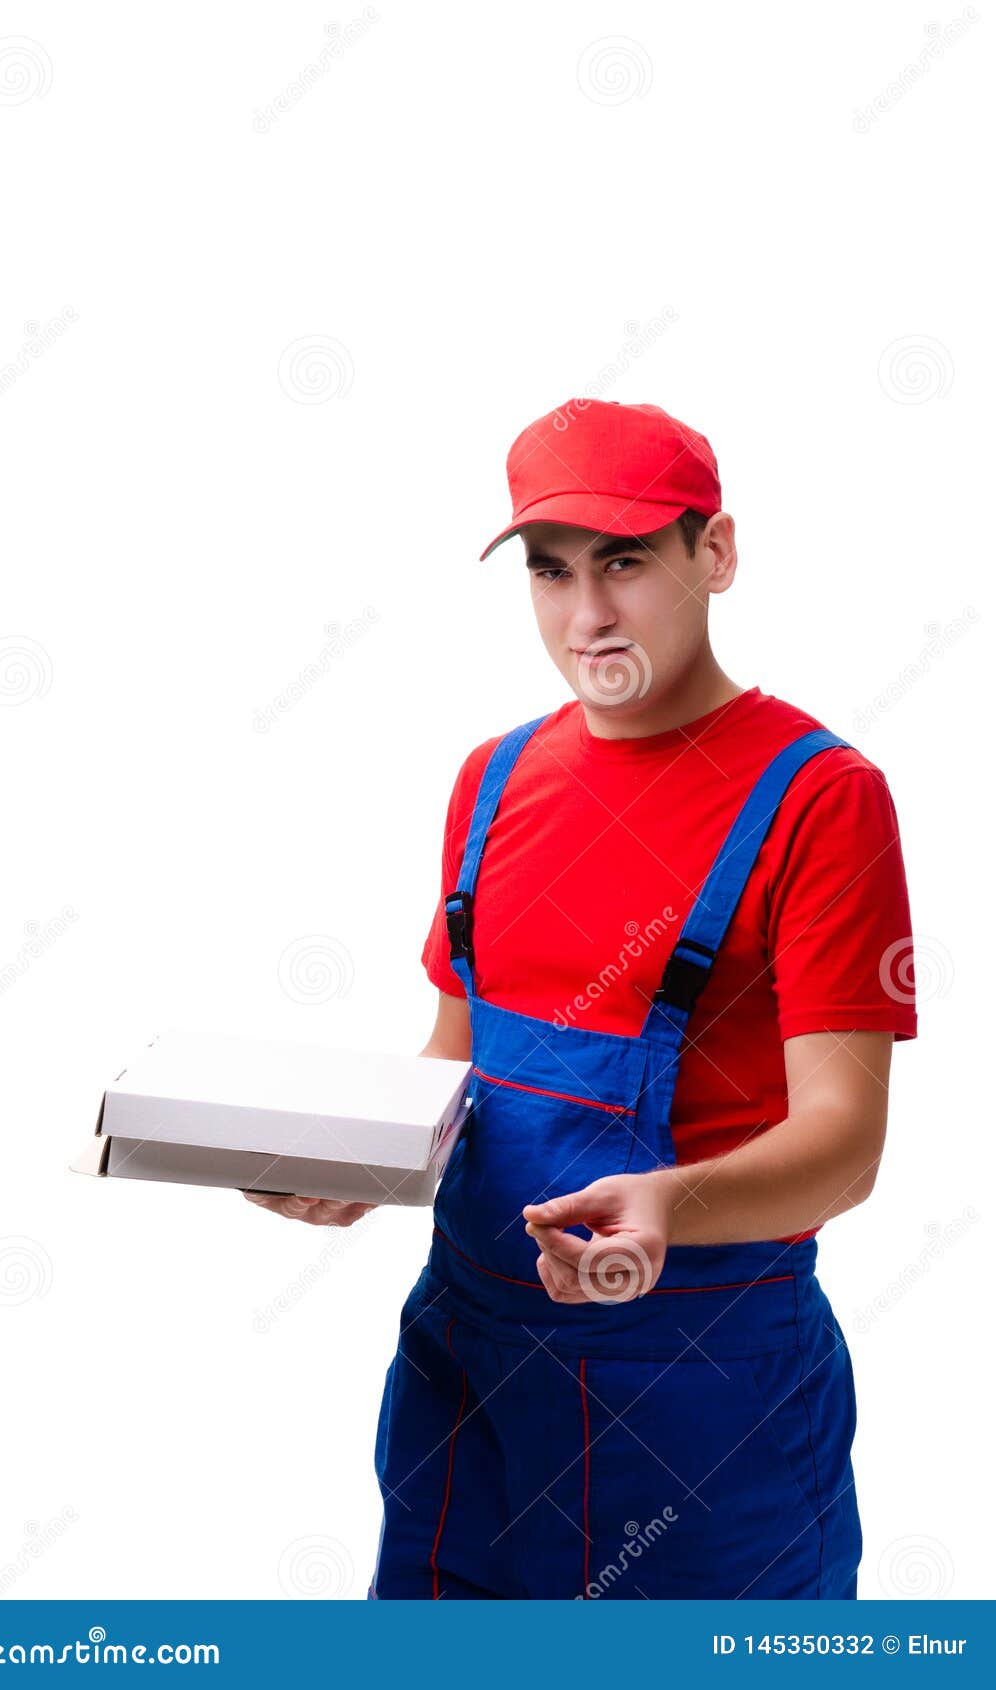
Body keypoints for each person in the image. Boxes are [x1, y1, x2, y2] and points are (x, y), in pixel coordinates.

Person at [245, 398, 917, 1600]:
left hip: (706, 1396)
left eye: (625, 563)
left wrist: (668, 1203)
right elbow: (455, 1061)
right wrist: (356, 1161)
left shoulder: (820, 798)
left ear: (713, 553)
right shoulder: (493, 778)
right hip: (474, 1376)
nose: (587, 614)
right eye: (552, 573)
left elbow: (844, 1146)